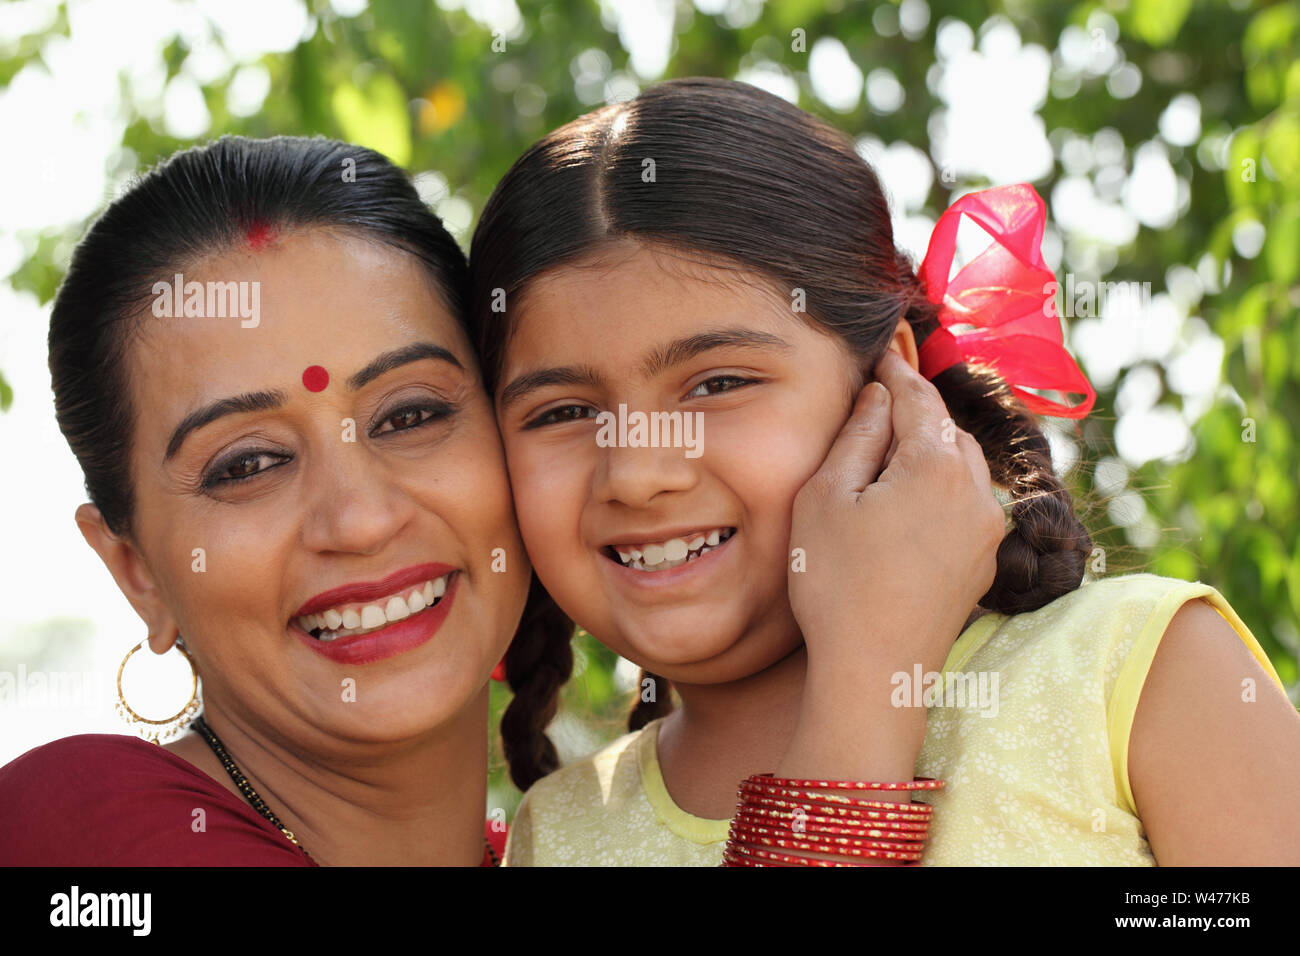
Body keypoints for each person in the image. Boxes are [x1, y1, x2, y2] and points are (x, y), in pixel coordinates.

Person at [469, 77, 1300, 865]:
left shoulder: (1140, 673)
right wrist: (864, 691)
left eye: (719, 384)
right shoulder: (563, 832)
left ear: (889, 384)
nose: (638, 473)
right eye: (564, 413)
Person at [0, 135, 541, 866]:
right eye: (247, 464)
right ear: (137, 573)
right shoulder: (81, 831)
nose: (361, 519)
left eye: (409, 416)